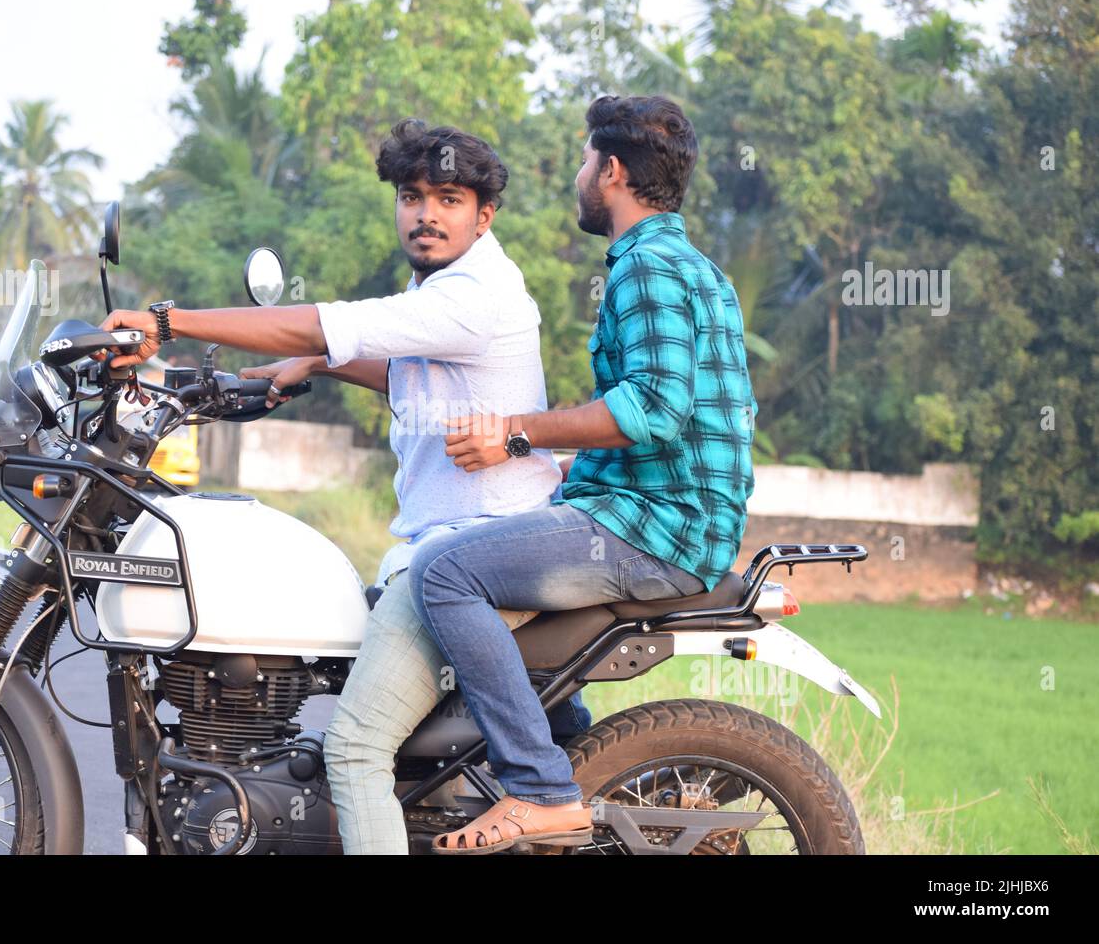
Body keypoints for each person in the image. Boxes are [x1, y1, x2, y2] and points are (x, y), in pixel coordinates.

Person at [96, 118, 592, 854]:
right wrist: (322, 365)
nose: (425, 214)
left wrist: (168, 322)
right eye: (411, 196)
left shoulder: (473, 293)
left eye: (448, 199)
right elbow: (405, 369)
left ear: (483, 215)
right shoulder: (447, 285)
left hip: (469, 557)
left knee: (355, 749)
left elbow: (329, 321)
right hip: (452, 545)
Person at [405, 94, 758, 853]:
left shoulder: (646, 269)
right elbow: (688, 418)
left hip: (655, 530)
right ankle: (571, 762)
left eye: (584, 162)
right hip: (672, 512)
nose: (577, 176)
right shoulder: (693, 268)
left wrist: (515, 434)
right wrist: (569, 460)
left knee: (444, 573)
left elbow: (652, 407)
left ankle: (539, 787)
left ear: (614, 171)